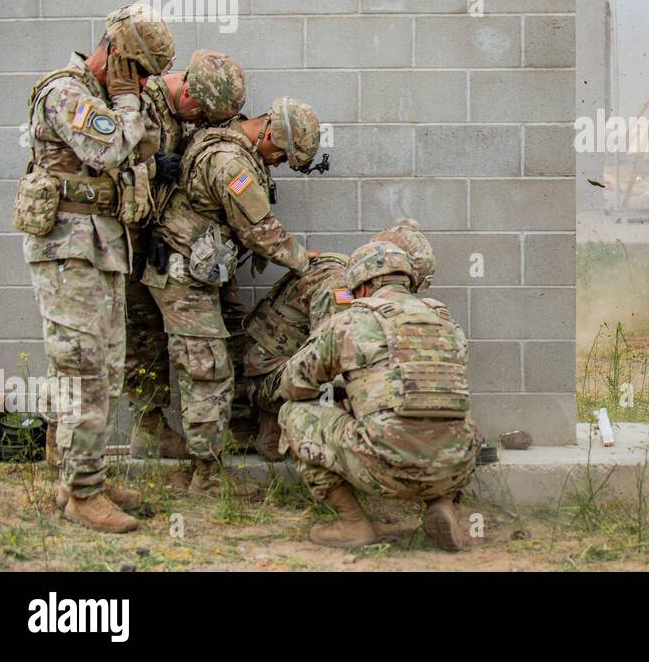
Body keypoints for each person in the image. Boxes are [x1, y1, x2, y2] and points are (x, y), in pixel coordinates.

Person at [17, 3, 174, 533]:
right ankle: (82, 495)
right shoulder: (67, 93)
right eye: (141, 70)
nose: (145, 82)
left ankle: (84, 478)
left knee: (104, 370)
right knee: (81, 371)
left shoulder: (110, 100)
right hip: (70, 250)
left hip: (102, 247)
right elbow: (109, 150)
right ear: (121, 58)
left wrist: (134, 102)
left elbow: (148, 142)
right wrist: (128, 102)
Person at [146, 97, 322, 493]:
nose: (276, 164)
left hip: (203, 270)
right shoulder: (232, 164)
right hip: (183, 274)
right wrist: (302, 261)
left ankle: (238, 434)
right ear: (269, 133)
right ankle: (206, 477)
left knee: (241, 344)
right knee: (207, 367)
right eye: (280, 156)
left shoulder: (226, 137)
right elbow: (259, 230)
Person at [277, 238, 480, 551]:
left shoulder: (349, 320)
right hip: (454, 468)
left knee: (293, 413)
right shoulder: (445, 320)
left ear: (361, 286)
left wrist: (348, 396)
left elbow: (294, 383)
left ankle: (352, 523)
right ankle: (442, 503)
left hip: (386, 469)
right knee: (449, 413)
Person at [125, 50, 246, 460]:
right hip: (117, 239)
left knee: (149, 339)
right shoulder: (140, 104)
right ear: (190, 89)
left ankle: (153, 431)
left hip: (148, 239)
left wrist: (158, 228)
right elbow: (103, 169)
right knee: (132, 340)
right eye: (201, 114)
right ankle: (144, 426)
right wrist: (149, 173)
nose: (199, 123)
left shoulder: (179, 117)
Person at [240, 251, 350, 460]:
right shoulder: (338, 285)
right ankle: (302, 435)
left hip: (264, 372)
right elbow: (327, 353)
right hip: (269, 380)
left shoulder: (331, 267)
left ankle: (278, 422)